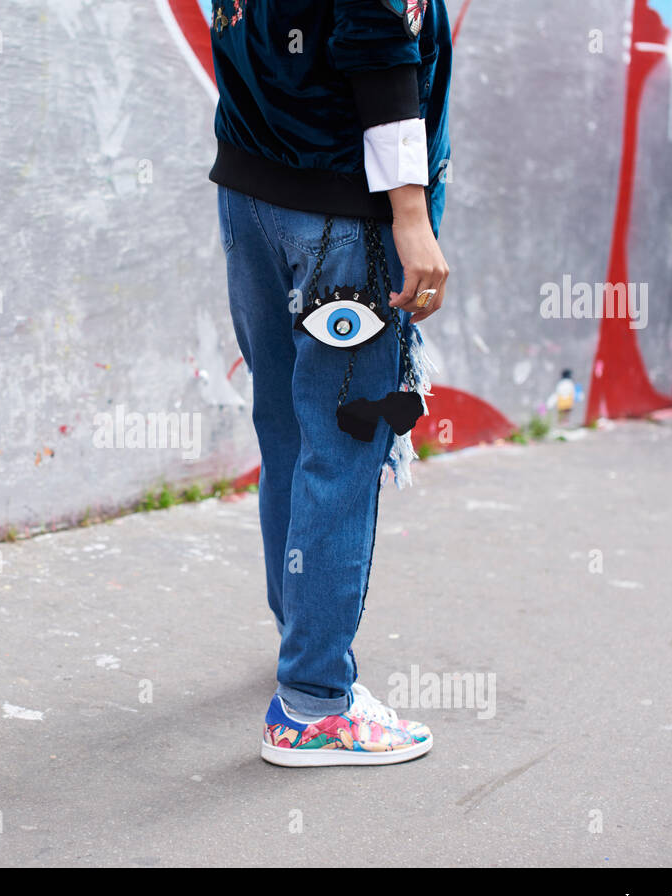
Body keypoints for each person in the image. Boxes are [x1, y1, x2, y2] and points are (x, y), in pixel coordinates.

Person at [209, 0, 452, 766]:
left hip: (252, 193)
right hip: (344, 218)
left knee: (286, 426)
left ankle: (300, 636)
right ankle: (314, 703)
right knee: (343, 451)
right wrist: (411, 218)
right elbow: (379, 36)